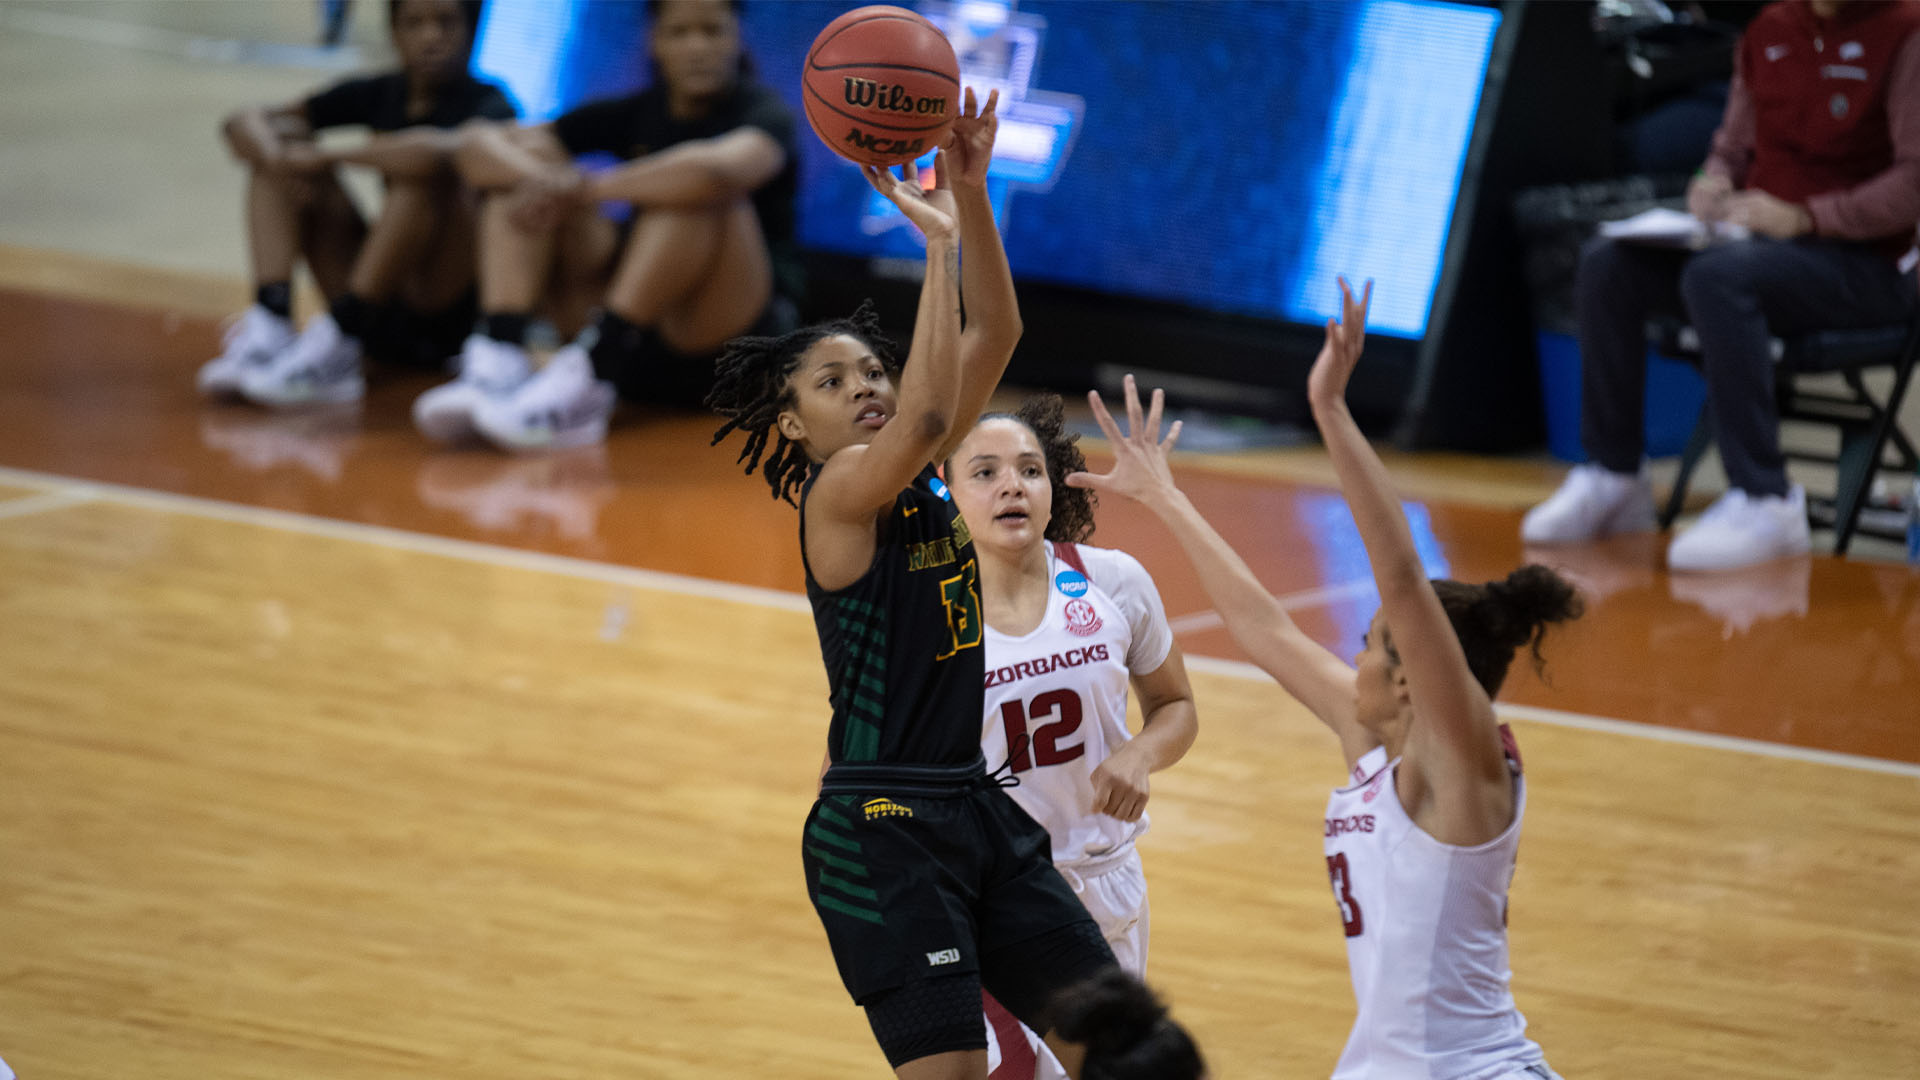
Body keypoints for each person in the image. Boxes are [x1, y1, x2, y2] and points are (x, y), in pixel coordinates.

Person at [707, 91, 1130, 1078]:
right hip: (880, 825)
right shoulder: (836, 495)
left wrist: (971, 196)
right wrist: (934, 251)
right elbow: (935, 401)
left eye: (871, 369)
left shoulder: (923, 469)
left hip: (972, 803)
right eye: (832, 381)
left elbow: (1000, 332)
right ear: (792, 428)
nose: (865, 384)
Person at [1072, 280, 1581, 1079]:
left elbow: (1407, 581)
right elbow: (1264, 628)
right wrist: (1166, 498)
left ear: (1417, 679)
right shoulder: (1375, 749)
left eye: (1374, 647)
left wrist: (1333, 413)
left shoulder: (1467, 770)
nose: (1353, 657)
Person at [1524, 0, 1920, 572]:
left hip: (1868, 267)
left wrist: (1808, 216)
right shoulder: (1770, 29)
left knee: (1718, 277)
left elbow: (1912, 184)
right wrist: (1712, 184)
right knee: (1607, 263)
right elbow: (1729, 150)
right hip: (1763, 251)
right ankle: (1614, 474)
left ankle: (1766, 499)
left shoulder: (1906, 32)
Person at [941, 397, 1198, 1079]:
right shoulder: (926, 615)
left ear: (1053, 487)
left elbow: (1175, 705)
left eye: (1029, 469)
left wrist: (1140, 755)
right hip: (992, 898)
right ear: (949, 492)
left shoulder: (1112, 580)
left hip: (1104, 880)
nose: (1011, 485)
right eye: (986, 472)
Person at [421, 0, 800, 450]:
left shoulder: (764, 111)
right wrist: (542, 181)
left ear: (737, 38)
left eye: (712, 31)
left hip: (726, 348)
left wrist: (587, 187)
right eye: (680, 32)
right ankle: (502, 359)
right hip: (629, 343)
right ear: (654, 42)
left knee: (695, 189)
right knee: (526, 172)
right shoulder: (634, 110)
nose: (697, 47)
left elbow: (716, 173)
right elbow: (475, 149)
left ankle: (594, 366)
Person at [200, 0, 516, 406]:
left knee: (419, 181)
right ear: (393, 32)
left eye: (446, 23)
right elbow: (244, 121)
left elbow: (430, 153)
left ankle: (342, 334)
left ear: (472, 31)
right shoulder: (380, 91)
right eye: (415, 23)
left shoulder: (492, 102)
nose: (431, 37)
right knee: (283, 154)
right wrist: (278, 158)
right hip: (378, 300)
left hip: (441, 308)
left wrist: (328, 156)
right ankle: (272, 322)